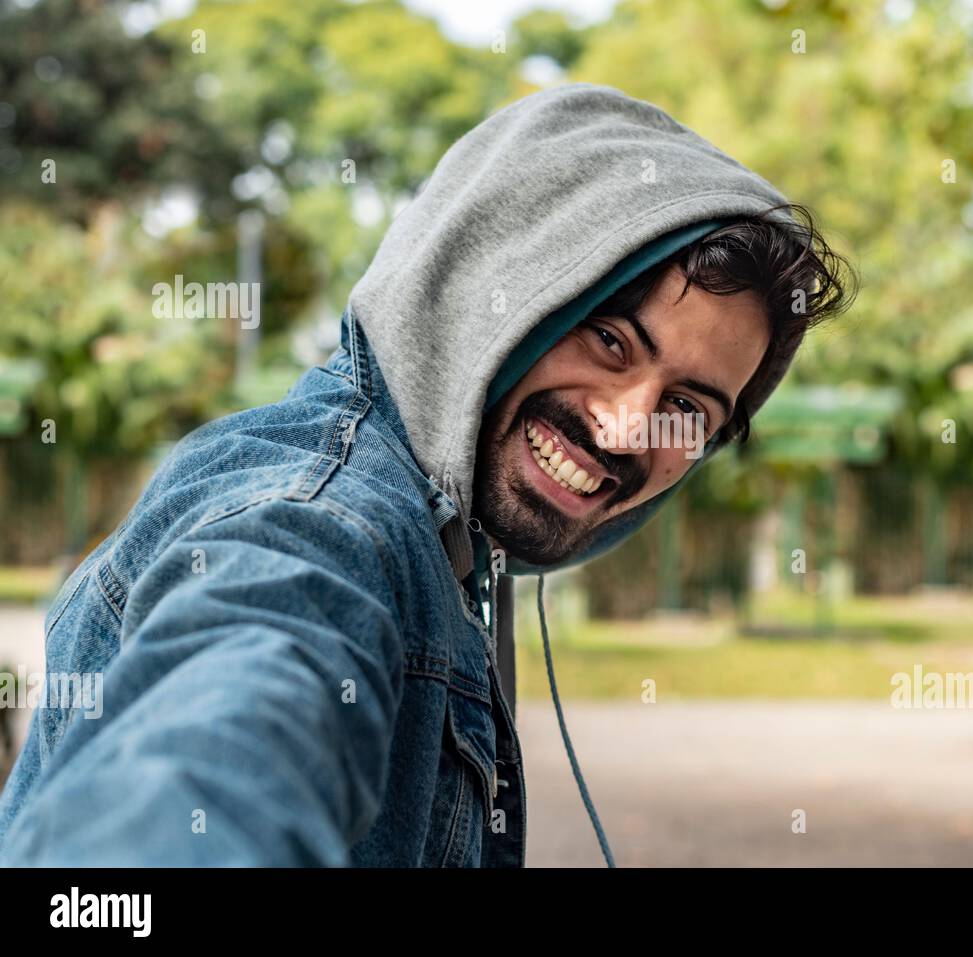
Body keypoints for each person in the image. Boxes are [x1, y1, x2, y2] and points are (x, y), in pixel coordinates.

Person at [0, 83, 854, 866]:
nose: (630, 426)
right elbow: (233, 710)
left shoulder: (451, 541)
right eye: (608, 340)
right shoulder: (321, 516)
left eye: (690, 409)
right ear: (494, 286)